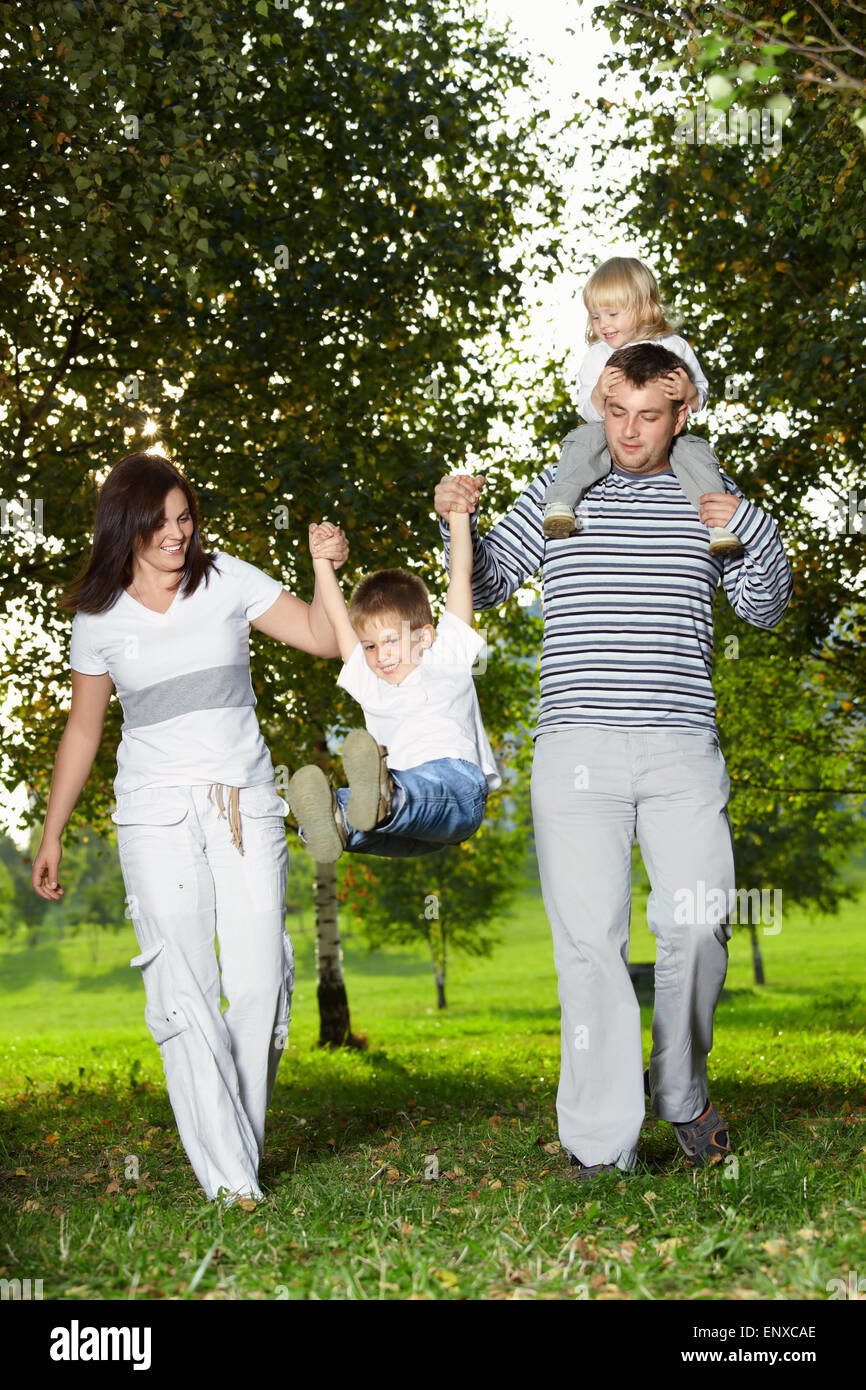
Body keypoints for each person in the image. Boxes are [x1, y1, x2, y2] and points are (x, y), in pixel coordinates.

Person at [435, 342, 793, 1179]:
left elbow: (766, 608)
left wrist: (745, 529)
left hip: (680, 748)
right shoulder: (561, 496)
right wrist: (458, 519)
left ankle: (679, 1086)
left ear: (684, 413)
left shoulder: (710, 498)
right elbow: (485, 583)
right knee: (590, 946)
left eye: (649, 417)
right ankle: (601, 1144)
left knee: (699, 924)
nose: (629, 433)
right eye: (616, 414)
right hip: (576, 748)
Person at [31, 452, 347, 1207]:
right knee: (186, 990)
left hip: (246, 803)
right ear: (126, 527)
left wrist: (324, 568)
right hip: (154, 813)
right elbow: (83, 731)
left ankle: (236, 1149)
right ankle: (233, 1179)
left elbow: (325, 639)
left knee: (257, 981)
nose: (178, 534)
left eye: (185, 518)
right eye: (160, 523)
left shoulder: (226, 579)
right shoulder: (99, 616)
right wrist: (52, 832)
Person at [286, 511, 500, 862]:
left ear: (425, 636)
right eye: (369, 646)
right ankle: (333, 821)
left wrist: (460, 517)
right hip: (409, 827)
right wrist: (321, 561)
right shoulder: (371, 683)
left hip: (457, 793)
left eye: (390, 641)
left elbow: (460, 577)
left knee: (397, 796)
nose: (380, 655)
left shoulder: (446, 655)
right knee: (355, 812)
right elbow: (341, 621)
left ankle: (386, 797)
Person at [542, 255, 742, 557]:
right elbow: (587, 409)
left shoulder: (674, 346)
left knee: (697, 455)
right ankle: (560, 504)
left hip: (668, 439)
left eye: (612, 314)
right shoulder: (596, 357)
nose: (603, 325)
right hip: (605, 435)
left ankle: (719, 524)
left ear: (643, 307)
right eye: (595, 317)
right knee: (581, 442)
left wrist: (687, 390)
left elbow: (700, 395)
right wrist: (598, 393)